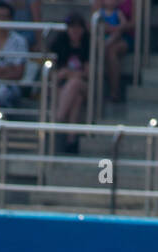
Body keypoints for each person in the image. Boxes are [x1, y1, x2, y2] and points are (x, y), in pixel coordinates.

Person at [50, 13, 90, 153]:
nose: (75, 31)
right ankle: (71, 140)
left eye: (78, 28)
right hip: (63, 87)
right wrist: (67, 74)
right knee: (76, 99)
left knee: (74, 83)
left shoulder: (88, 46)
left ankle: (58, 119)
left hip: (85, 86)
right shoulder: (59, 45)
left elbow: (87, 73)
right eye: (72, 28)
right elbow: (54, 73)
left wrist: (68, 73)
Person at [95, 0, 136, 104]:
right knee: (102, 48)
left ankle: (114, 92)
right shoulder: (101, 11)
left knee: (111, 51)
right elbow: (95, 21)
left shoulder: (119, 12)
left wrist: (116, 29)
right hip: (104, 37)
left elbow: (132, 24)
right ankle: (98, 92)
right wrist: (107, 29)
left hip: (123, 36)